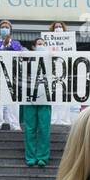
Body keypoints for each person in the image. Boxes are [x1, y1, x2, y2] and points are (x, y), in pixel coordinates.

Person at [21, 37, 53, 167]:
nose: (41, 45)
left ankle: (42, 157)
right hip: (29, 97)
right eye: (39, 44)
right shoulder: (27, 56)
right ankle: (30, 156)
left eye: (43, 44)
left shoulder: (50, 56)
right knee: (30, 129)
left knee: (44, 128)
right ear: (33, 47)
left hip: (45, 97)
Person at [0, 19, 24, 131]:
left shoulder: (16, 43)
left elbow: (20, 54)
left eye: (7, 27)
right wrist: (2, 46)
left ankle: (15, 125)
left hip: (13, 75)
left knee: (13, 101)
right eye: (2, 27)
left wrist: (8, 44)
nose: (4, 29)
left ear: (10, 30)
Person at [47, 21, 78, 127]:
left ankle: (65, 120)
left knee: (65, 96)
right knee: (54, 97)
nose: (58, 28)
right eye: (56, 27)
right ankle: (53, 120)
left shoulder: (69, 41)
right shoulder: (47, 41)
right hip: (52, 72)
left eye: (60, 26)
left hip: (65, 71)